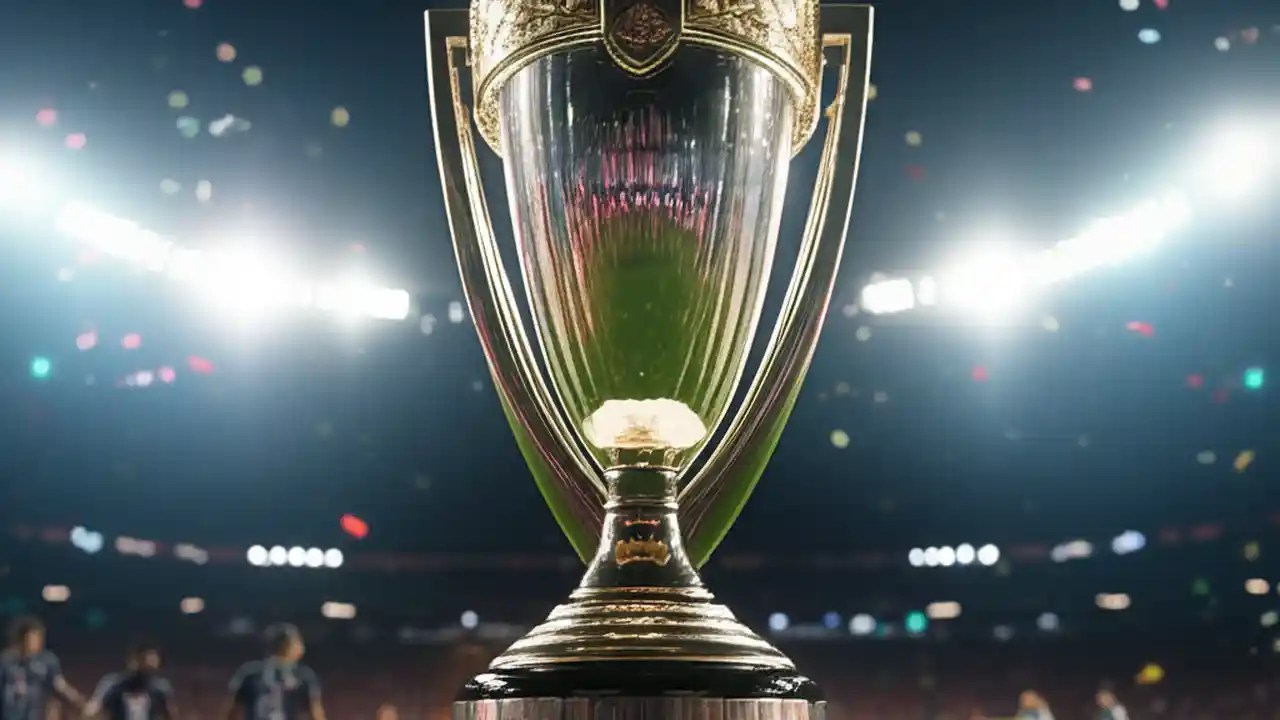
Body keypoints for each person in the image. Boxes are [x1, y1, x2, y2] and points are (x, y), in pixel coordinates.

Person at [225, 624, 325, 720]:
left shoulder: (249, 672)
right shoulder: (303, 674)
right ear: (288, 645)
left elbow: (232, 710)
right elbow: (315, 714)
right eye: (299, 642)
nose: (302, 648)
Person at [0, 616, 85, 720]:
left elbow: (59, 684)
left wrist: (78, 699)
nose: (38, 641)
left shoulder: (48, 660)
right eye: (34, 637)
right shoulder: (6, 660)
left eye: (40, 637)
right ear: (22, 638)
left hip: (36, 714)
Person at [85, 642, 176, 720]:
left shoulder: (160, 687)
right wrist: (92, 709)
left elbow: (170, 714)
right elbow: (93, 707)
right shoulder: (113, 683)